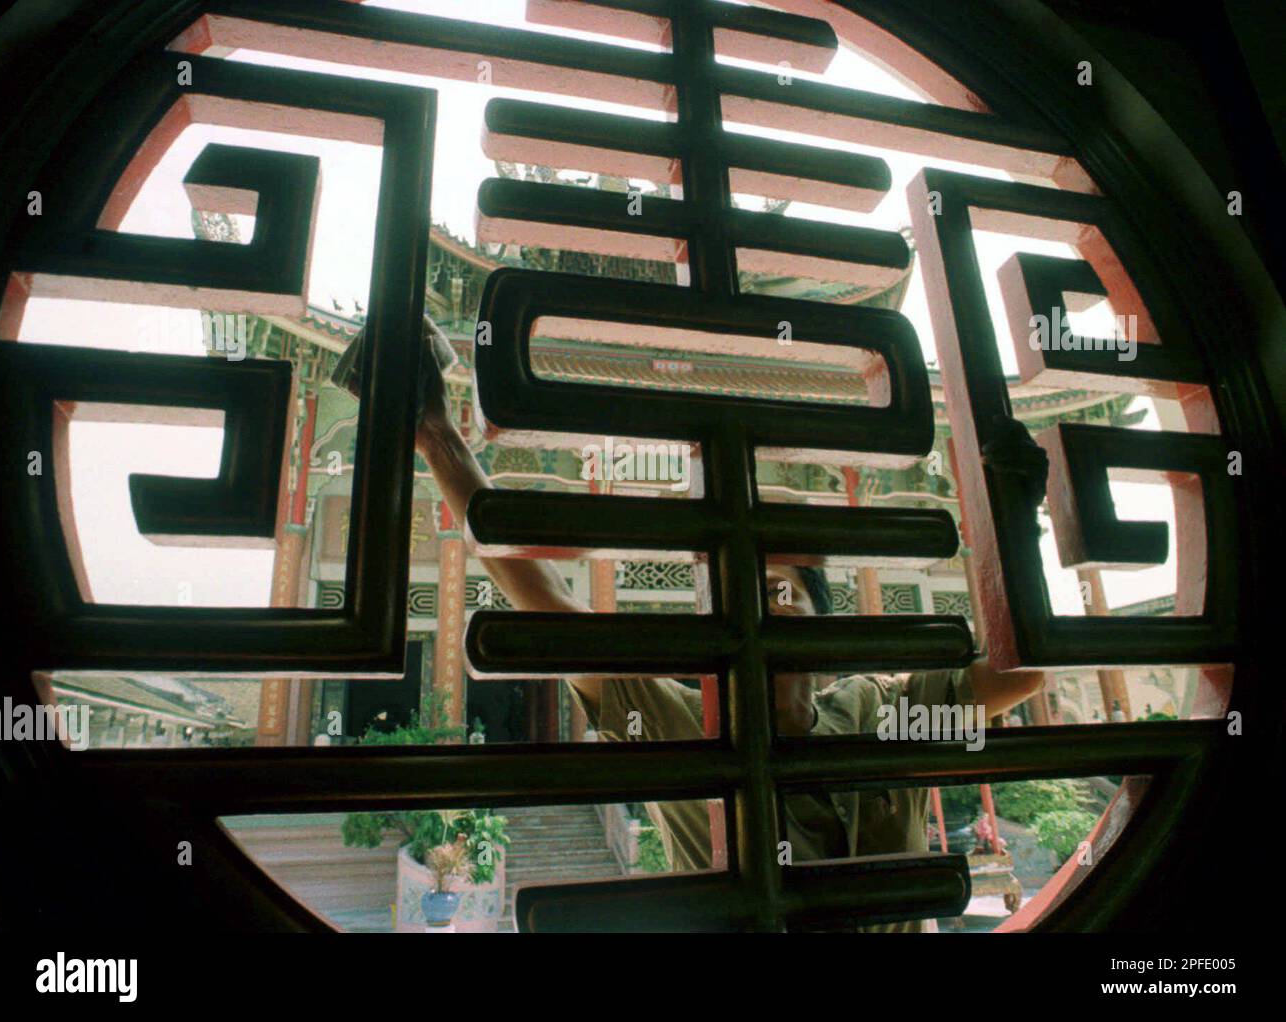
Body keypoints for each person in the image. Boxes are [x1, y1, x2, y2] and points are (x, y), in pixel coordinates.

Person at [337, 316, 1047, 930]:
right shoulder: (680, 726)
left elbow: (1019, 673)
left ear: (825, 620)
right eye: (735, 590)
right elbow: (551, 606)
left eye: (777, 588)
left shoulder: (884, 713)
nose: (755, 608)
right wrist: (436, 435)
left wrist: (1016, 521)